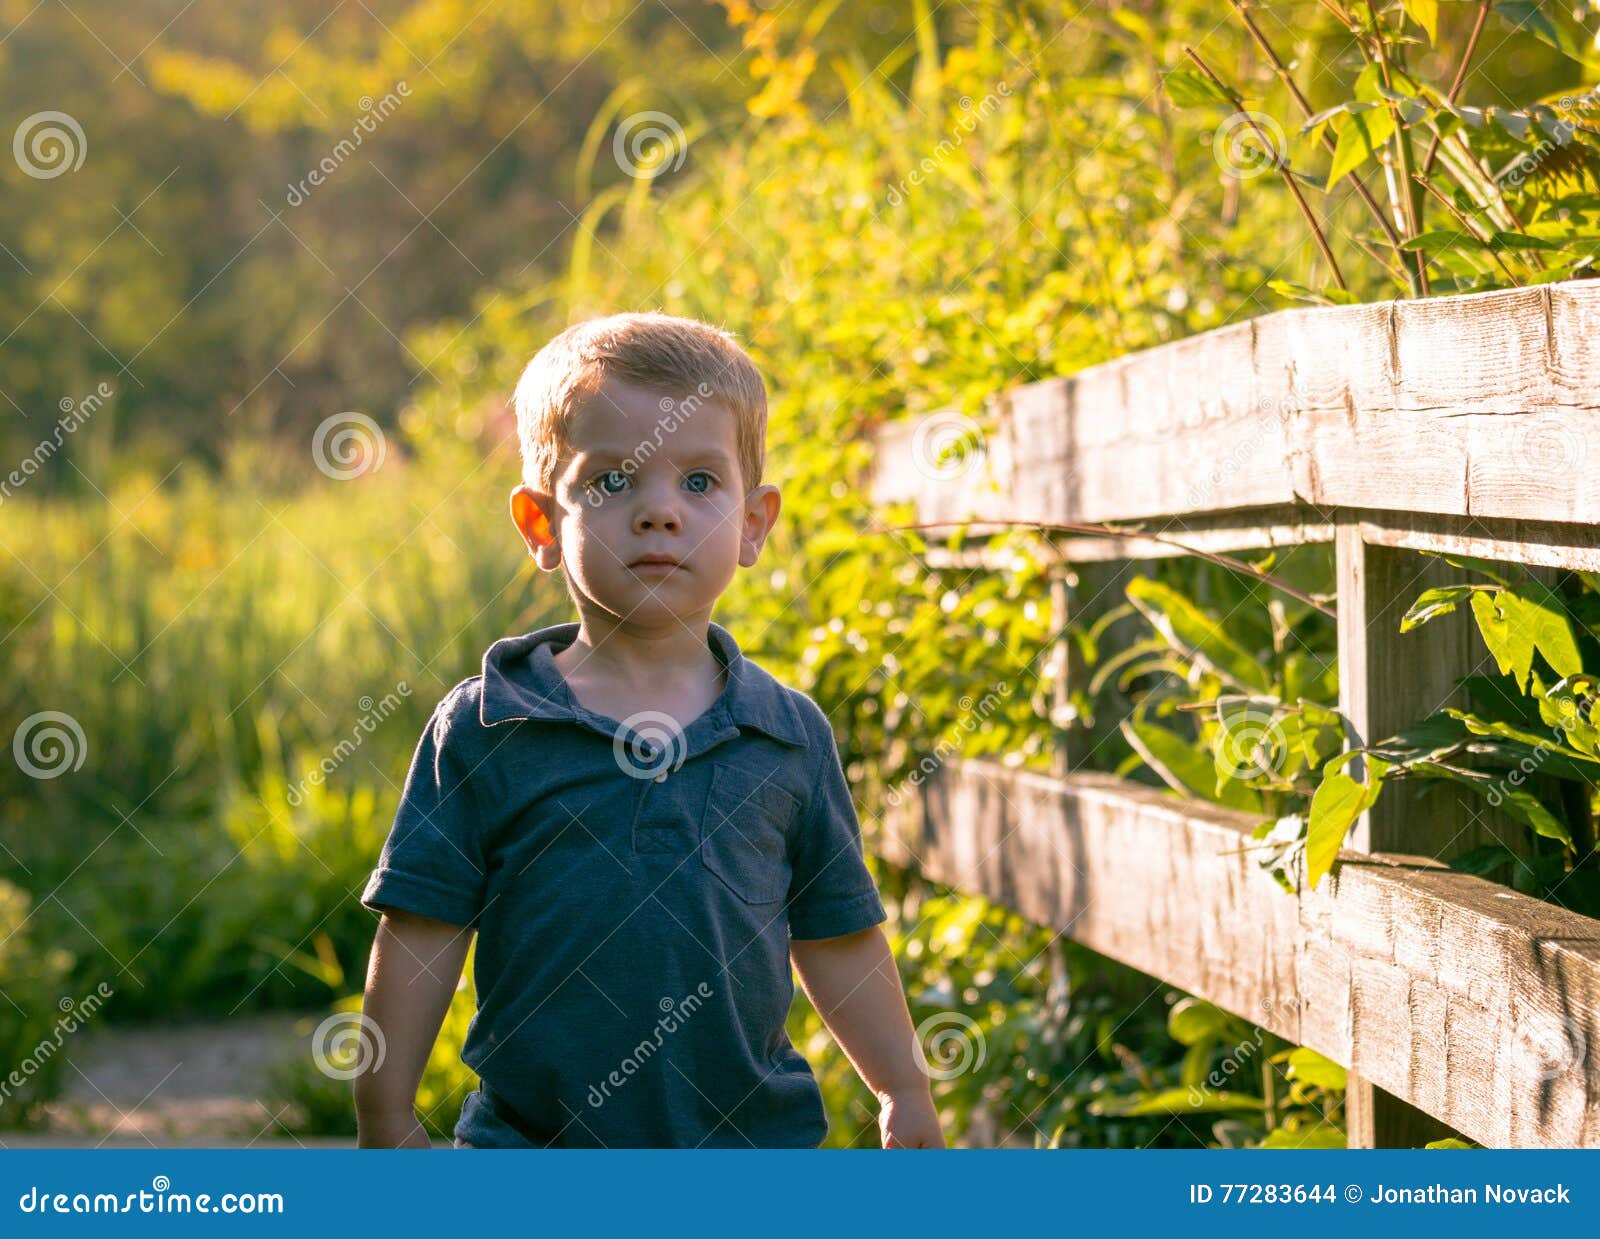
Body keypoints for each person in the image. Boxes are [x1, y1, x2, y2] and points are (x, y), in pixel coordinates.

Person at [352, 312, 946, 1149]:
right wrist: (385, 1117)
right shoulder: (487, 726)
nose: (660, 512)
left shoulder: (784, 735)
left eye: (700, 483)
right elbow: (419, 934)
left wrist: (905, 1088)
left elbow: (838, 934)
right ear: (540, 525)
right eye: (611, 483)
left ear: (754, 523)